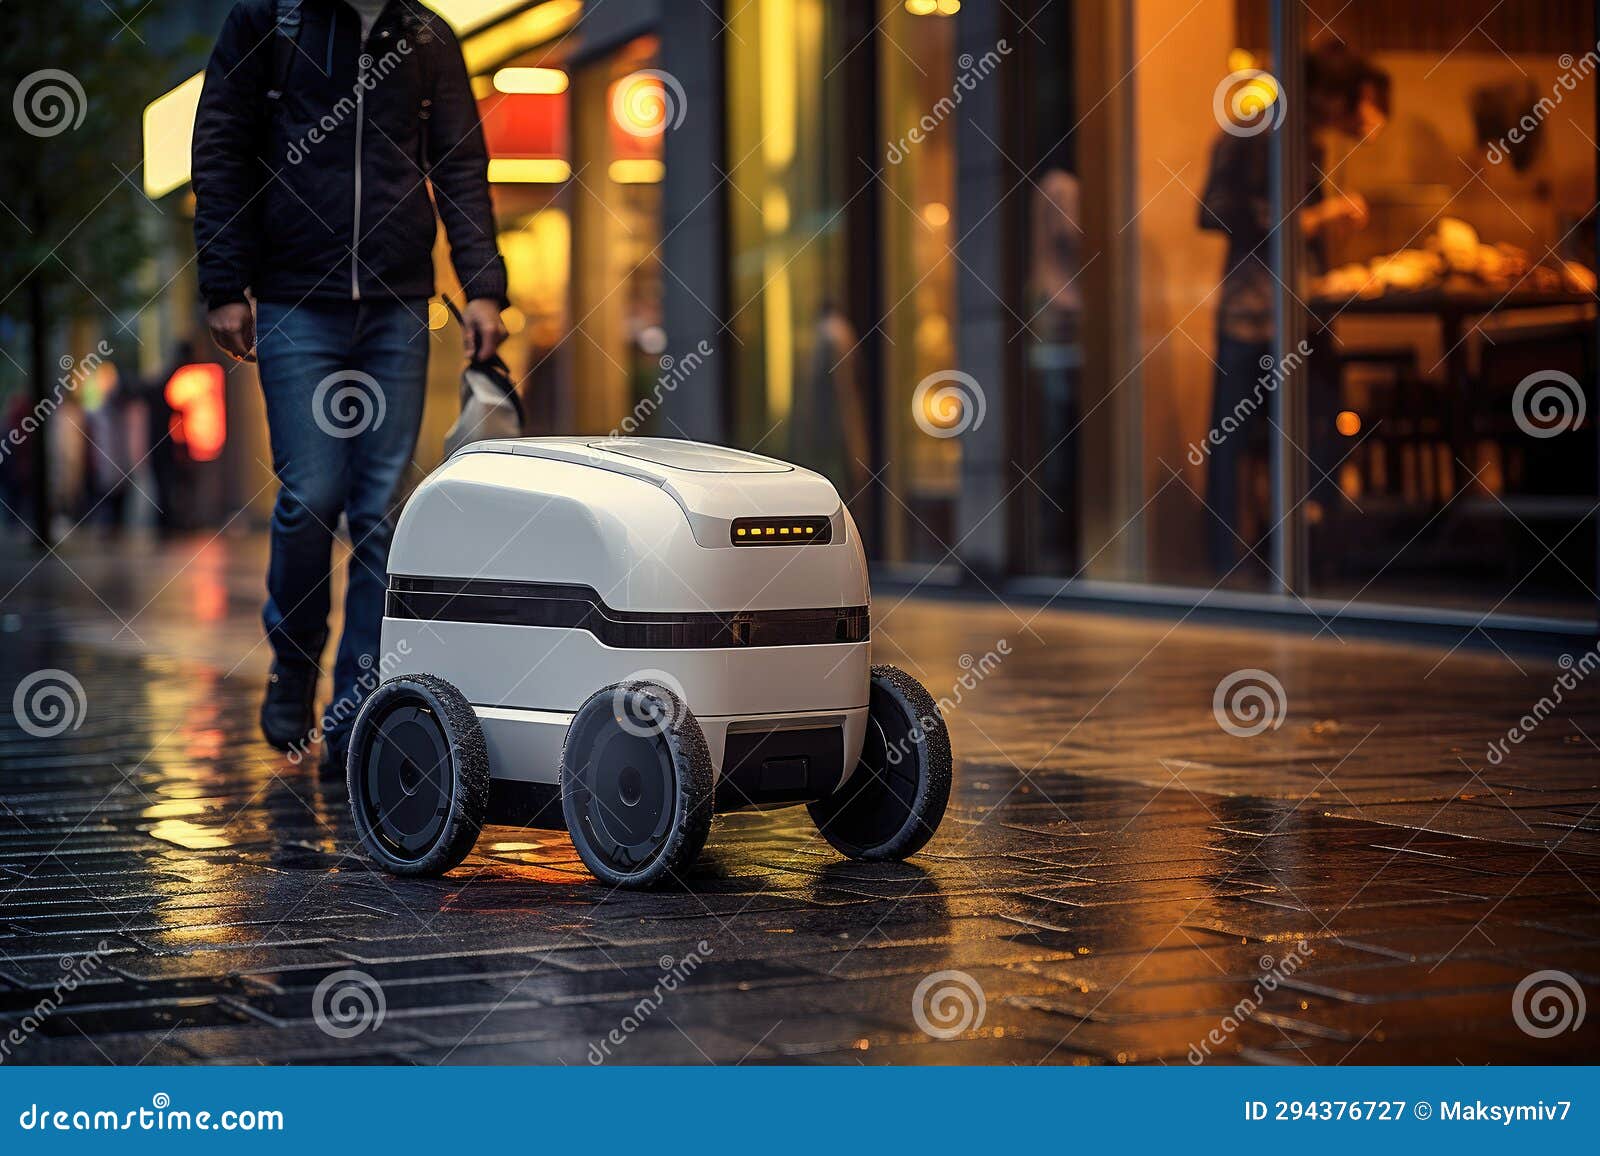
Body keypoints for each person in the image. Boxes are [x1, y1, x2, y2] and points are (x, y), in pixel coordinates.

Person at [192, 0, 509, 769]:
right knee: (311, 496)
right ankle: (295, 660)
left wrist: (484, 286)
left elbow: (460, 165)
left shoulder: (428, 37)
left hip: (399, 305)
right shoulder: (268, 22)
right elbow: (223, 147)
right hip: (298, 300)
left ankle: (357, 709)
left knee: (382, 509)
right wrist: (226, 283)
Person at [1198, 44, 1389, 578]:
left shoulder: (1301, 138)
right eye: (1349, 100)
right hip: (1253, 315)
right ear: (1327, 94)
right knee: (1240, 441)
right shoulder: (1261, 128)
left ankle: (1303, 553)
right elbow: (1216, 210)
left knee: (1317, 426)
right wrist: (1319, 216)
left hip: (1295, 311)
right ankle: (1236, 564)